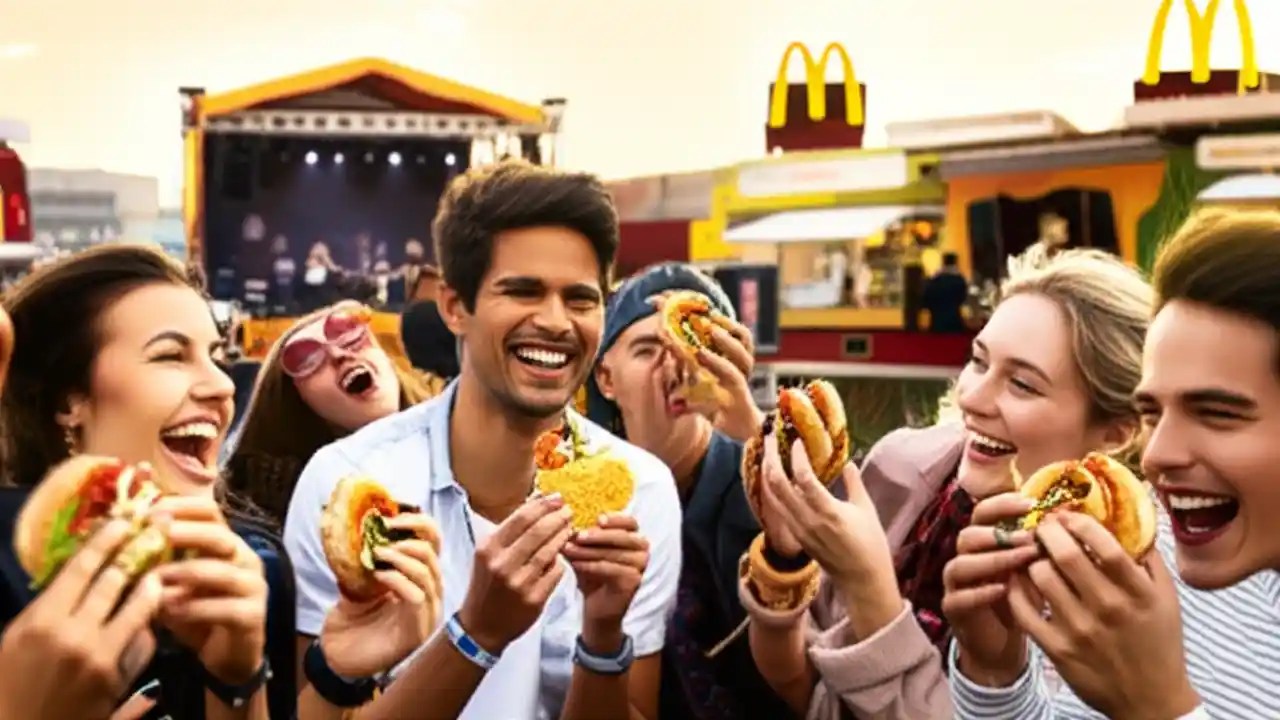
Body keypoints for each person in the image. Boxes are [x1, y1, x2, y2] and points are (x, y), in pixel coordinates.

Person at [283, 160, 681, 719]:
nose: (555, 321)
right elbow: (319, 711)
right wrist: (476, 636)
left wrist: (603, 631)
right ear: (454, 306)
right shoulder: (351, 487)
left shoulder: (639, 492)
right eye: (522, 291)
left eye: (581, 299)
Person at [742, 248, 1154, 720]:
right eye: (978, 362)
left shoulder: (1110, 597)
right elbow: (803, 688)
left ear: (1115, 434)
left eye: (1022, 384)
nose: (971, 397)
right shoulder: (900, 466)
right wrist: (784, 558)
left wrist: (871, 590)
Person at [946, 208, 1280, 719]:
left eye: (1216, 414)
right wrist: (996, 674)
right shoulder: (1123, 572)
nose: (1156, 455)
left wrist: (1159, 707)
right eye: (1153, 411)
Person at [0, 245, 280, 719]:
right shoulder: (7, 572)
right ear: (71, 401)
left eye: (216, 355)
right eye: (171, 355)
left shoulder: (248, 573)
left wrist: (238, 684)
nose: (223, 385)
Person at [586, 262, 785, 719]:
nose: (675, 365)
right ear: (606, 379)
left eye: (696, 345)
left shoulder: (766, 481)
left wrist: (753, 430)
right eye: (647, 349)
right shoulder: (586, 498)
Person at [225, 300, 439, 527]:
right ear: (296, 404)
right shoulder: (269, 528)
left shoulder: (458, 441)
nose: (338, 353)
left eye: (351, 335)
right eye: (307, 359)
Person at [921, 252, 969, 333]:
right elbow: (963, 298)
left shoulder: (935, 280)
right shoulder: (959, 280)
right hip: (954, 319)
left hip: (937, 320)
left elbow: (927, 297)